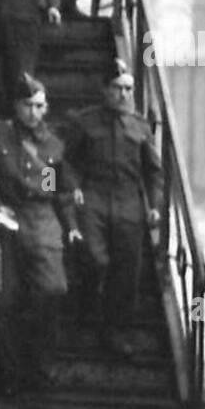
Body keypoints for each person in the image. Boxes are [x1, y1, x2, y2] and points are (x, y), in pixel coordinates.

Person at [0, 74, 80, 394]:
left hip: (41, 217)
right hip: (6, 217)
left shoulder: (53, 145)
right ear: (16, 106)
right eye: (27, 105)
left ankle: (39, 365)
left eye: (39, 106)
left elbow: (57, 188)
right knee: (5, 300)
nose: (33, 112)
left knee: (53, 289)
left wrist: (72, 226)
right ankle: (9, 376)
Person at [62, 58, 162, 356]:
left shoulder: (141, 126)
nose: (124, 95)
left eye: (129, 89)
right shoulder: (84, 121)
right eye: (117, 88)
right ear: (105, 90)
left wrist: (154, 206)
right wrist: (69, 187)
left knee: (126, 272)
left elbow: (153, 171)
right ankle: (85, 318)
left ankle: (117, 332)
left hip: (130, 203)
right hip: (93, 198)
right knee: (95, 260)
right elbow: (62, 161)